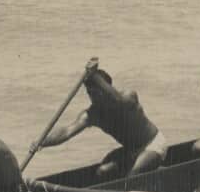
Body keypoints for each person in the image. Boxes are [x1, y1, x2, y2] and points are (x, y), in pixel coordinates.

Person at [32, 59, 168, 178]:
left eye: (96, 93)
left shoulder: (128, 97)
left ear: (107, 88)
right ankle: (148, 171)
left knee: (133, 176)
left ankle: (149, 171)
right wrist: (42, 142)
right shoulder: (93, 114)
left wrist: (94, 75)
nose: (93, 98)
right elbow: (67, 132)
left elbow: (117, 99)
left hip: (153, 144)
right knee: (102, 172)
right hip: (130, 150)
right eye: (89, 93)